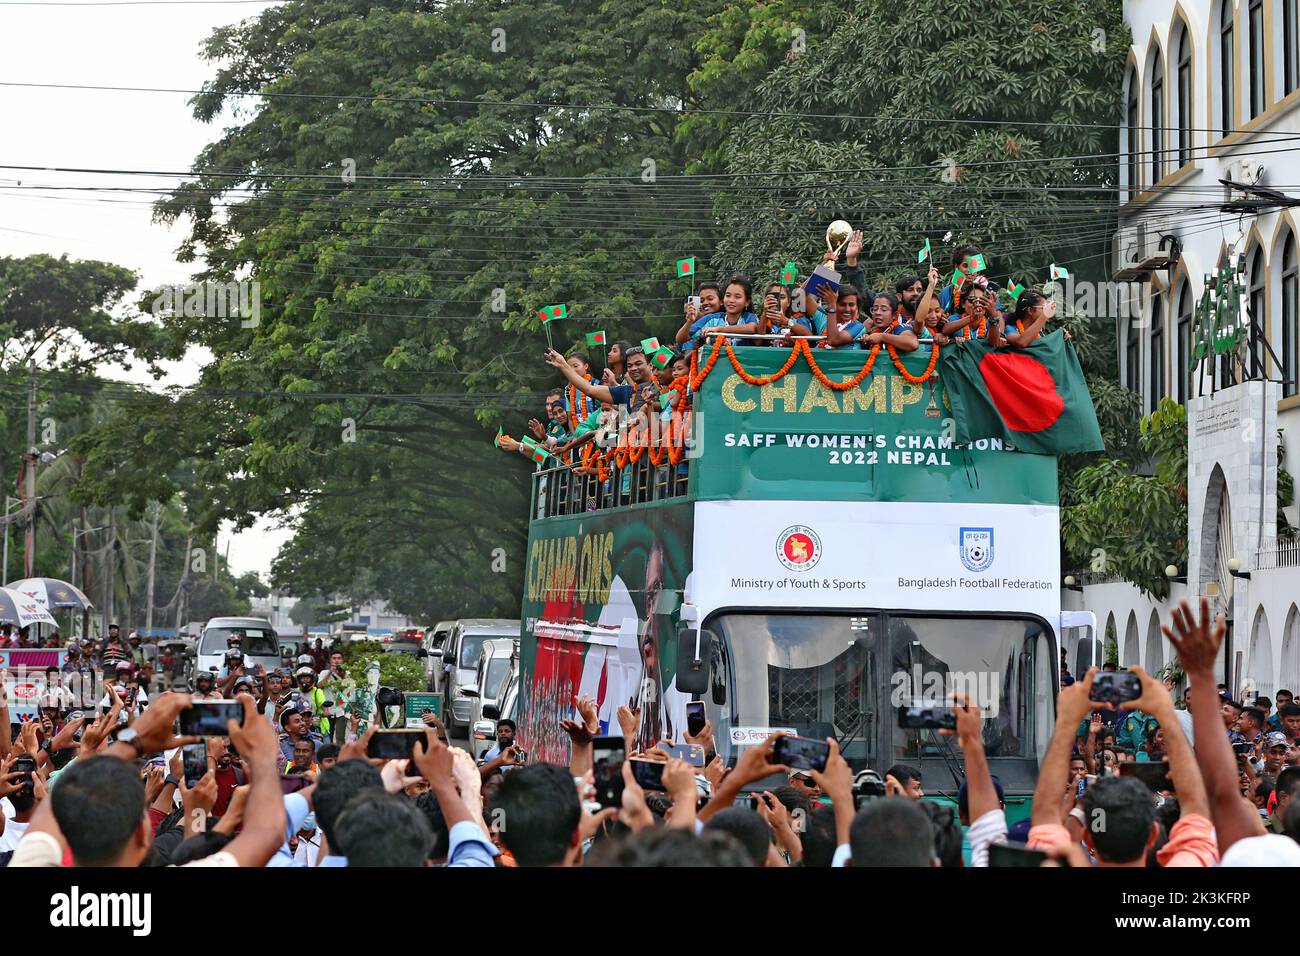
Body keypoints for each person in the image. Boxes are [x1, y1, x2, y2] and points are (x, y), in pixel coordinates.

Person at [9, 692, 287, 867]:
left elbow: (51, 807)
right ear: (143, 835)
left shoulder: (32, 860)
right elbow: (264, 834)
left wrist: (131, 741)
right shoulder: (38, 850)